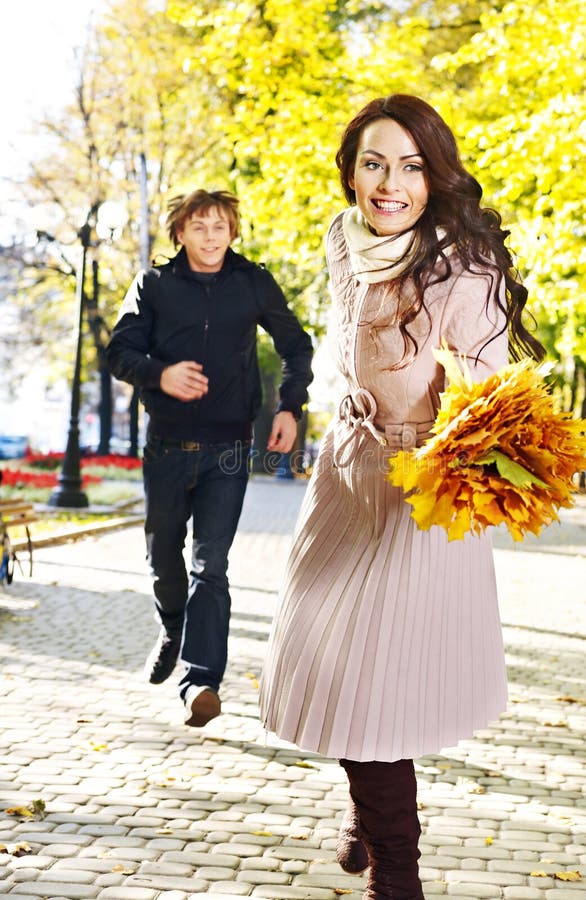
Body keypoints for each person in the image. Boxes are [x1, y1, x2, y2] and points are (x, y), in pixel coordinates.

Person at [259, 96, 545, 899]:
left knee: (372, 676)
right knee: (330, 663)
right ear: (350, 170)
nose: (390, 184)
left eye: (412, 166)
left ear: (434, 176)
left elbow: (494, 393)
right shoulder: (339, 243)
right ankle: (368, 811)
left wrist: (456, 449)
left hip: (417, 493)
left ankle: (398, 868)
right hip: (344, 479)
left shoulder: (462, 266)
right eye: (374, 163)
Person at [107, 189, 313, 728]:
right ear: (180, 233)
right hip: (167, 446)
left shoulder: (252, 282)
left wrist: (289, 408)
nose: (211, 235)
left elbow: (296, 346)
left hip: (230, 447)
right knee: (163, 557)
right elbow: (119, 353)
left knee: (211, 564)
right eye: (199, 226)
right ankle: (173, 626)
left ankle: (200, 680)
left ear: (234, 232)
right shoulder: (153, 285)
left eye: (220, 225)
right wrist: (160, 374)